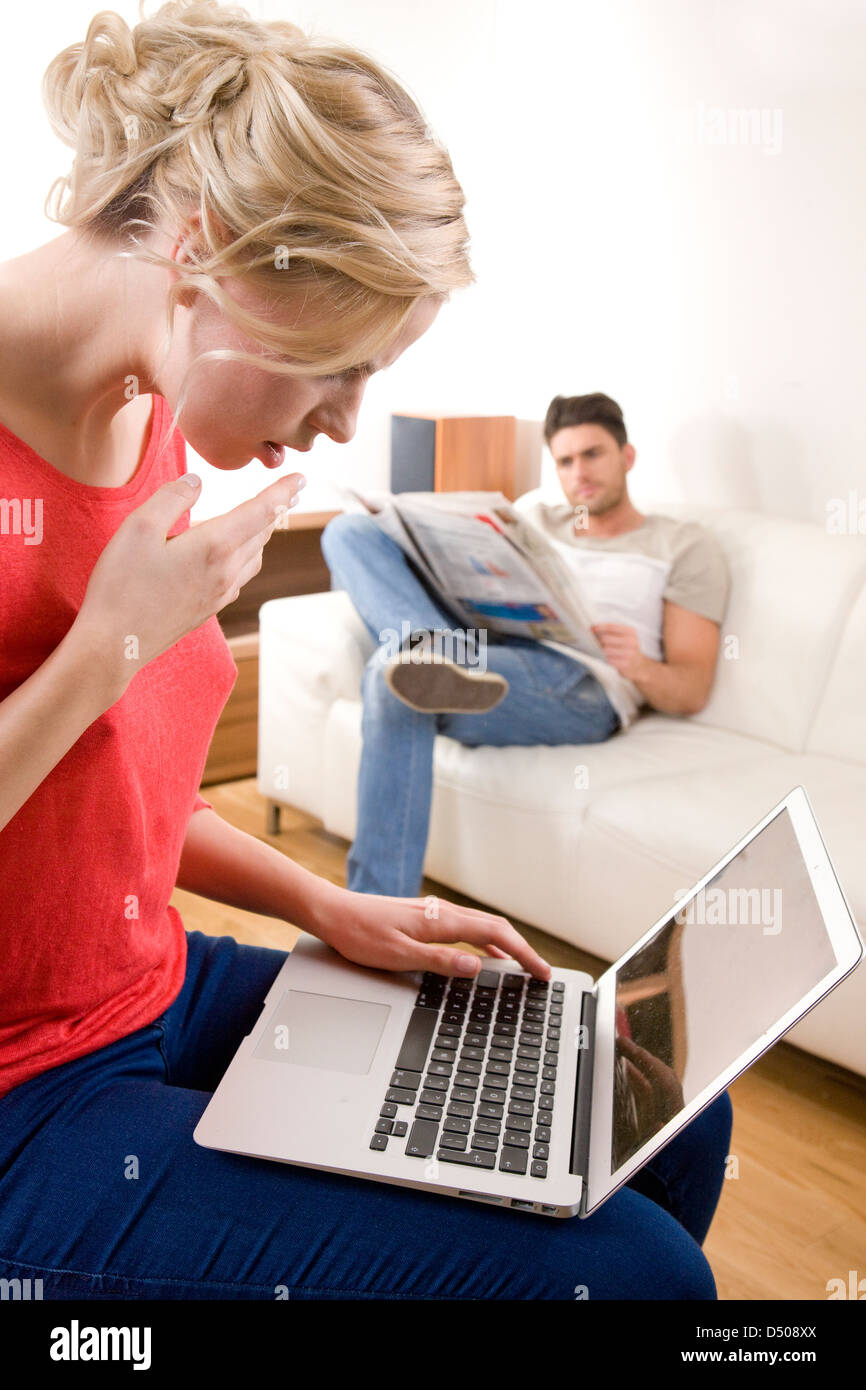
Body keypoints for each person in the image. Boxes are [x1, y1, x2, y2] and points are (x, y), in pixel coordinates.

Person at [0, 0, 731, 1300]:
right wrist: (108, 642)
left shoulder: (153, 386)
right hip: (25, 1100)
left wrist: (327, 905)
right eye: (336, 365)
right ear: (209, 252)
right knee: (637, 1282)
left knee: (646, 1093)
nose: (343, 421)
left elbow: (99, 812)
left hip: (146, 988)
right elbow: (87, 691)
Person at [322, 392, 730, 899]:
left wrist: (641, 665)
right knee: (349, 532)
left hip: (582, 684)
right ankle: (429, 649)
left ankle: (375, 913)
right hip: (492, 653)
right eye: (565, 461)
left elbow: (691, 690)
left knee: (392, 678)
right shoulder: (536, 520)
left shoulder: (683, 545)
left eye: (593, 454)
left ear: (626, 457)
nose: (579, 471)